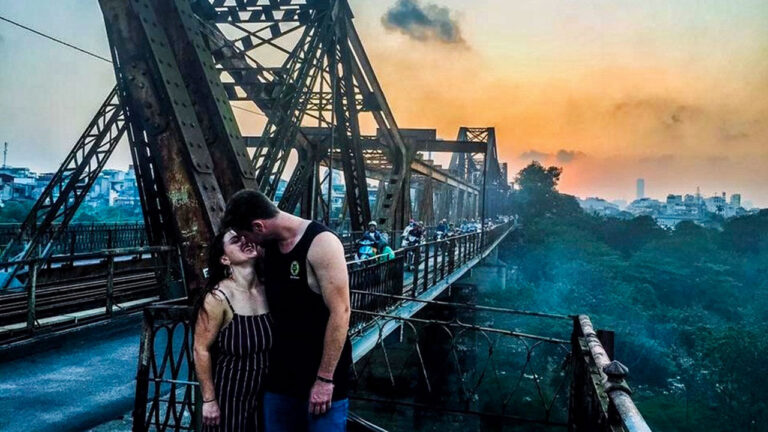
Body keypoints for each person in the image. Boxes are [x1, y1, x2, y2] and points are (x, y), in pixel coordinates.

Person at [222, 190, 352, 432]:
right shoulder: (268, 247)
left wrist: (324, 379)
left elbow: (341, 312)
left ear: (259, 226)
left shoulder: (321, 243)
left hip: (320, 378)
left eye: (246, 236)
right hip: (280, 377)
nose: (247, 243)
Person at [194, 229, 272, 432]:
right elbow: (201, 349)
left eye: (247, 237)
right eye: (236, 240)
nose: (245, 241)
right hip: (230, 396)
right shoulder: (218, 298)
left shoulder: (268, 290)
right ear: (225, 259)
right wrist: (209, 400)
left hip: (265, 396)